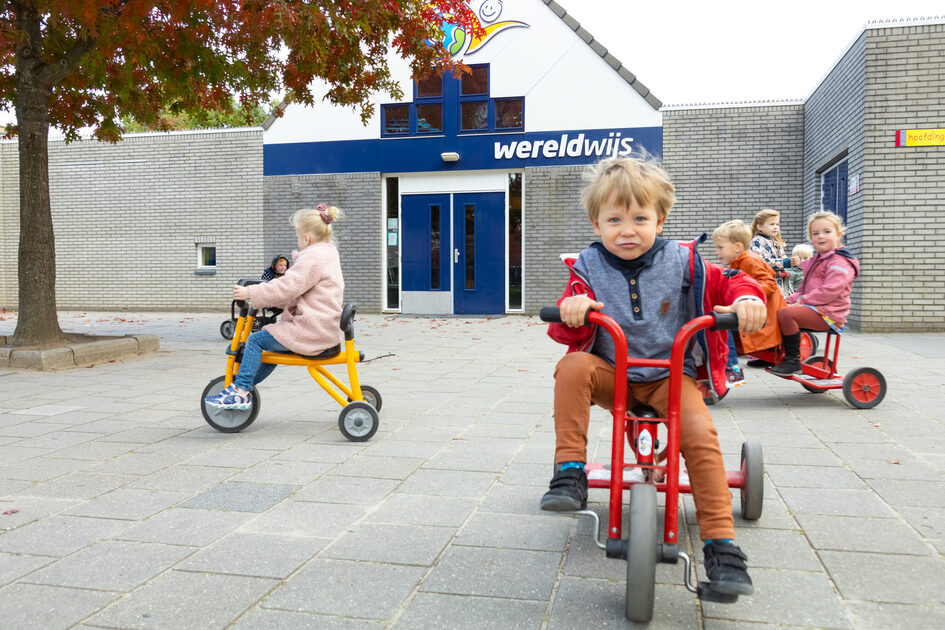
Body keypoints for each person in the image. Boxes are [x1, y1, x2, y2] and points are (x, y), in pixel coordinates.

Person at [542, 157, 766, 598]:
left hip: (671, 376)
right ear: (596, 222)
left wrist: (746, 300)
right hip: (614, 374)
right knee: (571, 368)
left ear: (660, 219)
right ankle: (570, 470)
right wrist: (573, 312)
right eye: (614, 219)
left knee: (699, 432)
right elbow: (563, 325)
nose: (627, 230)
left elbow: (733, 283)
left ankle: (722, 544)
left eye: (640, 218)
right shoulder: (586, 266)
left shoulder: (685, 261)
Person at [205, 203, 345, 409]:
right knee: (270, 347)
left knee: (255, 340)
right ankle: (242, 385)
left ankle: (241, 390)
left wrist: (251, 292)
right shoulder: (327, 254)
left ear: (307, 238)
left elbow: (288, 287)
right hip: (321, 328)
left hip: (311, 331)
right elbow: (298, 291)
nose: (298, 242)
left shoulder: (312, 258)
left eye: (298, 237)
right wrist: (267, 295)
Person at [773, 211, 859, 375]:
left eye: (827, 232)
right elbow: (802, 290)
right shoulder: (816, 261)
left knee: (786, 314)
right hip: (816, 309)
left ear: (838, 234)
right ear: (811, 238)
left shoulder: (839, 261)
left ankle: (793, 360)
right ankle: (772, 353)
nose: (821, 236)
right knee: (778, 309)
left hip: (829, 314)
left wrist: (802, 301)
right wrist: (786, 300)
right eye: (815, 233)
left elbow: (830, 291)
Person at [714, 220, 787, 372]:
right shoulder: (739, 262)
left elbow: (769, 283)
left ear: (737, 247)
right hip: (756, 314)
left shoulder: (749, 261)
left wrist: (749, 296)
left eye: (720, 247)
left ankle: (729, 368)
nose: (717, 252)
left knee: (720, 326)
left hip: (763, 317)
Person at [750, 209, 798, 294]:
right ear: (760, 227)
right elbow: (762, 262)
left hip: (780, 283)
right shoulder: (757, 242)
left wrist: (792, 261)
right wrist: (785, 262)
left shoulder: (775, 242)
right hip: (767, 283)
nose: (775, 227)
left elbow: (784, 257)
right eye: (772, 224)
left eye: (777, 224)